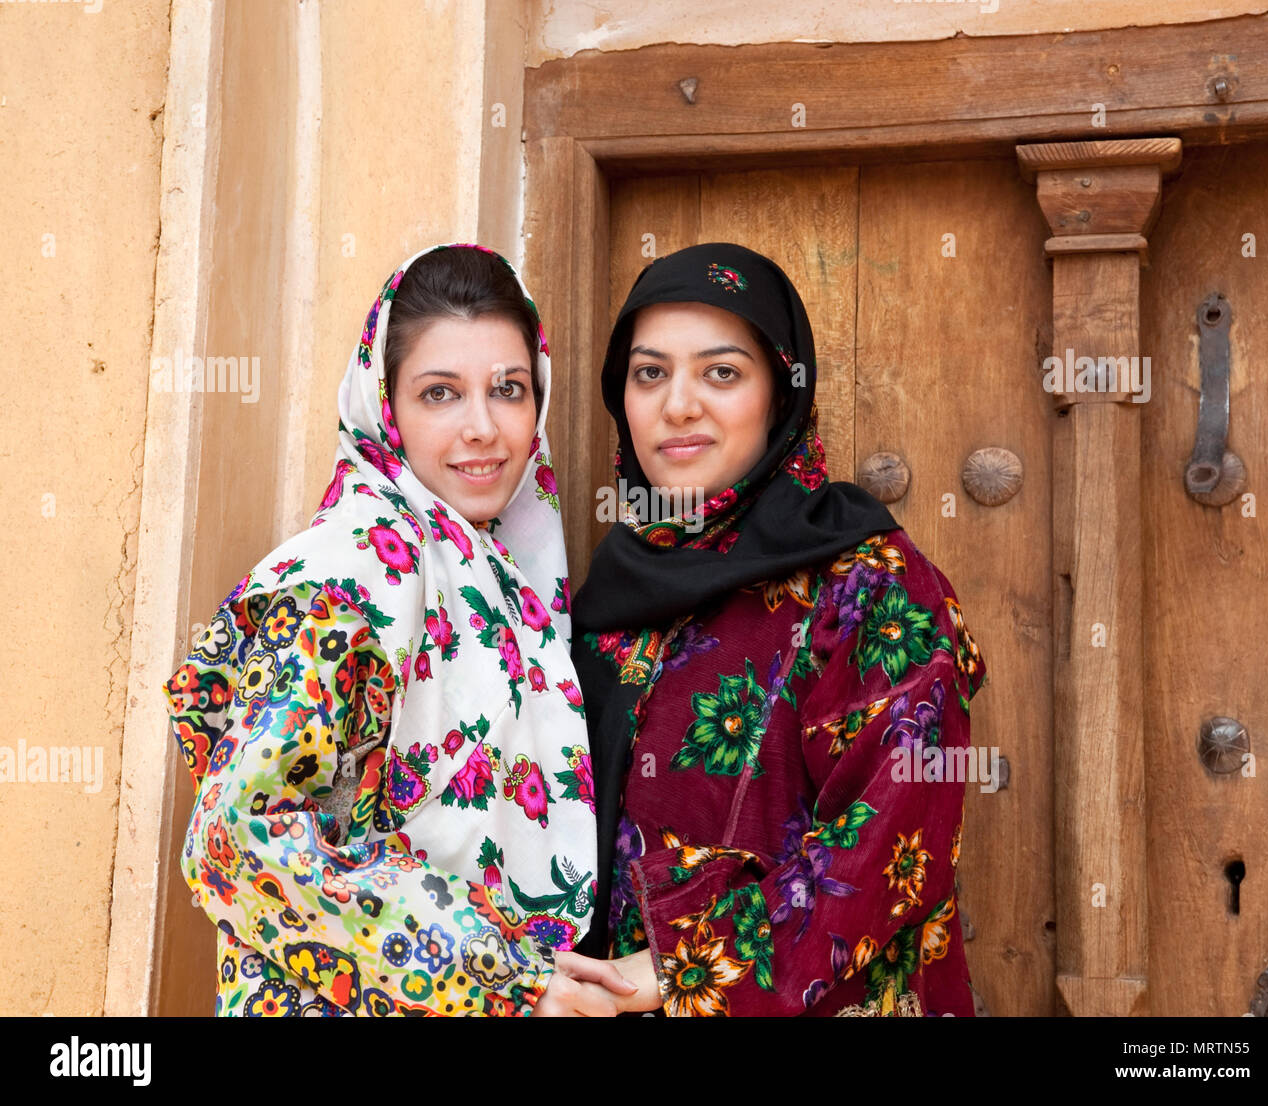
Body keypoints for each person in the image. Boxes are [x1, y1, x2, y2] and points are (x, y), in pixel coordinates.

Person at [164, 243, 635, 1016]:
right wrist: (499, 976)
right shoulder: (349, 575)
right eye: (441, 393)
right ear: (383, 406)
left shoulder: (511, 588)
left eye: (509, 390)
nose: (482, 427)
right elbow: (239, 838)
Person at [571, 242, 989, 1016]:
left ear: (781, 394)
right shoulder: (610, 594)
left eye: (721, 372)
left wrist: (681, 966)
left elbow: (898, 841)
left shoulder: (868, 586)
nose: (678, 405)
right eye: (649, 372)